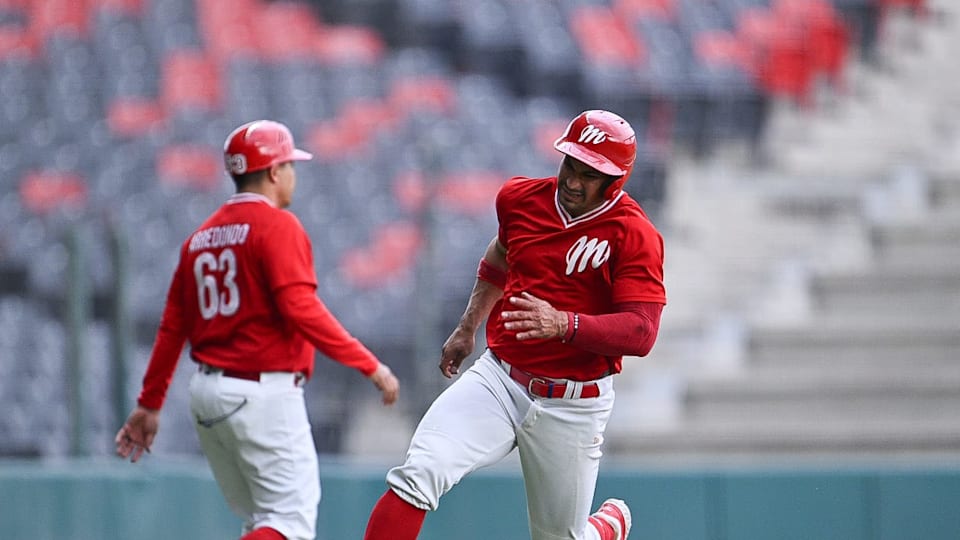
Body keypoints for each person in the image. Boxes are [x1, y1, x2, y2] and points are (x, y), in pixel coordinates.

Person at [363, 110, 666, 540]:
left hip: (572, 402)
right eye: (571, 165)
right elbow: (502, 253)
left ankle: (603, 529)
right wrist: (468, 326)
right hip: (500, 379)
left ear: (615, 180)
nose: (574, 181)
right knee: (419, 473)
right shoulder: (521, 199)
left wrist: (563, 323)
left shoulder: (634, 234)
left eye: (590, 174)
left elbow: (642, 331)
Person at [115, 119, 400, 540]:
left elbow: (173, 327)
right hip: (260, 392)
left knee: (263, 522)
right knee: (288, 521)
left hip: (208, 394)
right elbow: (300, 307)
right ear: (273, 171)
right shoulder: (278, 225)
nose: (293, 175)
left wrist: (150, 403)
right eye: (290, 166)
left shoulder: (199, 237)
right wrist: (369, 365)